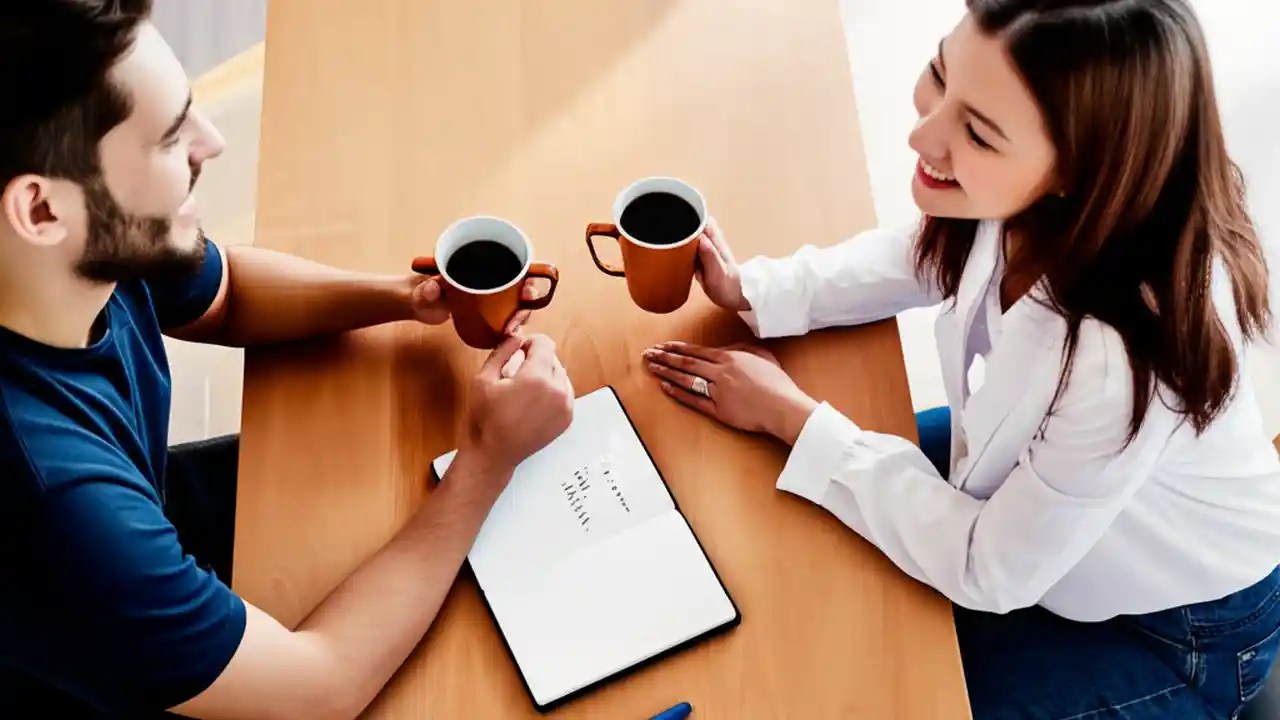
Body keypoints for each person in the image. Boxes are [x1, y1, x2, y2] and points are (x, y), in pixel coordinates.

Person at [643, 1, 1280, 717]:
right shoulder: (1044, 195)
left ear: (1080, 167)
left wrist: (793, 416)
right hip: (1029, 502)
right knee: (776, 532)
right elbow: (923, 253)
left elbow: (991, 569)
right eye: (941, 74)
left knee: (874, 685)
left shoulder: (1122, 358)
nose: (923, 134)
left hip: (1181, 628)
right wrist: (756, 287)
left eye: (976, 131)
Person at [0, 2, 574, 717]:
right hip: (106, 672)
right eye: (172, 137)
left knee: (394, 453)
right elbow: (317, 692)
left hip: (144, 531)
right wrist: (485, 462)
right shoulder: (56, 502)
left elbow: (226, 295)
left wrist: (406, 296)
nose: (212, 144)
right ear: (43, 210)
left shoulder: (67, 251)